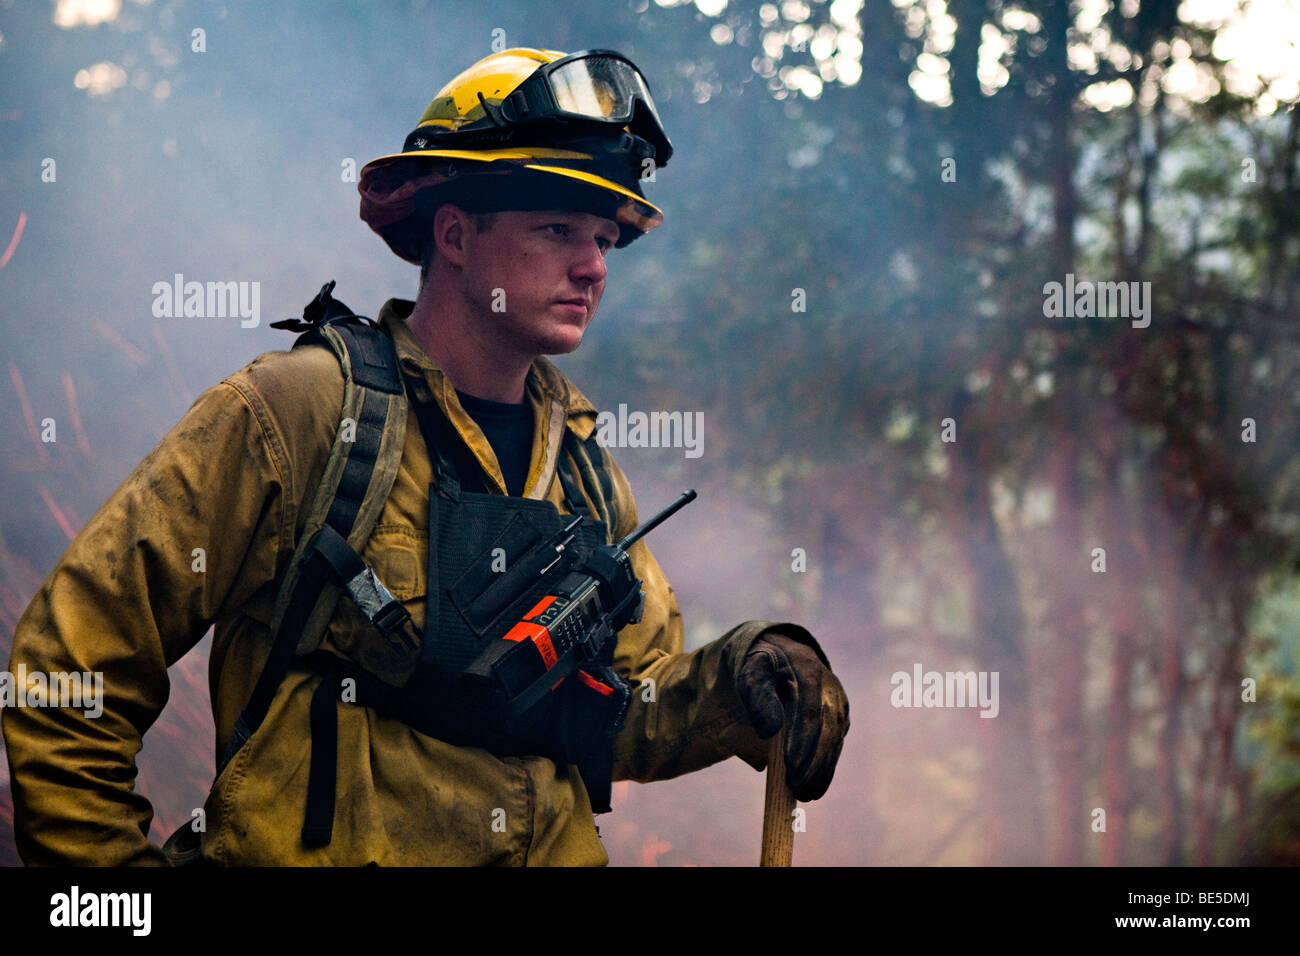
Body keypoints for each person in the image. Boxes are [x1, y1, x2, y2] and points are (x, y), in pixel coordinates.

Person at [2, 47, 849, 866]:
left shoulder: (584, 475)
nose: (593, 265)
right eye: (559, 226)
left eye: (605, 236)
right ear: (454, 232)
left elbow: (624, 709)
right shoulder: (299, 415)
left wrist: (746, 673)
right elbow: (72, 668)